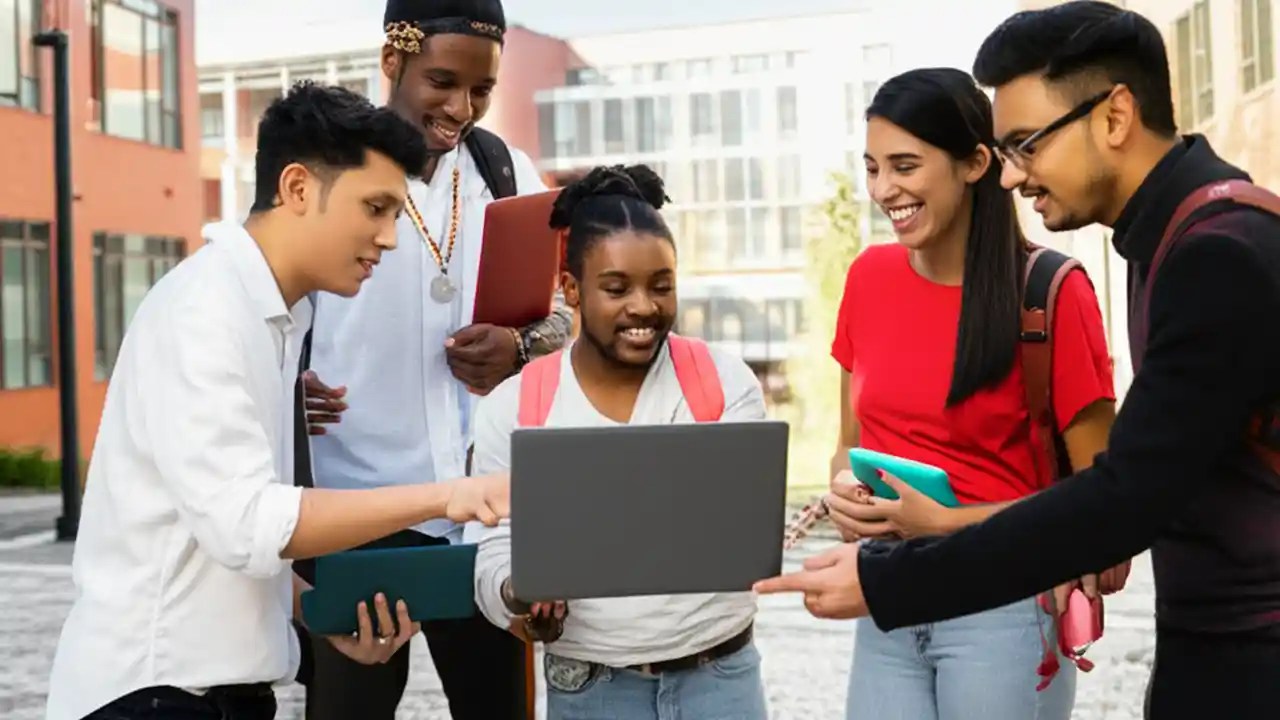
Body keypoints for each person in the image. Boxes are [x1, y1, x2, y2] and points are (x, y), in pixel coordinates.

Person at [754, 3, 1280, 717]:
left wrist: (894, 579)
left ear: (1114, 117)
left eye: (1026, 145)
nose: (1010, 177)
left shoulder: (1213, 252)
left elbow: (1122, 499)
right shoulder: (1176, 234)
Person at [44, 82, 511, 720]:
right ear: (296, 188)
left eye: (397, 213)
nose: (390, 237)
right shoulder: (205, 310)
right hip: (154, 694)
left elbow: (219, 535)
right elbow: (247, 524)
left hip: (218, 693)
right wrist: (445, 495)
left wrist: (319, 610)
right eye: (375, 207)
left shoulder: (274, 318)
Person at [293, 1, 571, 718]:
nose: (461, 109)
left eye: (481, 90)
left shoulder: (506, 172)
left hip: (487, 515)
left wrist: (521, 345)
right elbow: (257, 322)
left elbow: (570, 310)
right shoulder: (323, 175)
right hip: (355, 514)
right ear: (393, 62)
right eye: (442, 83)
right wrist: (282, 391)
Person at [825, 66, 1119, 720]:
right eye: (871, 167)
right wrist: (845, 493)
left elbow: (1104, 503)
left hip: (1005, 611)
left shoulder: (1051, 293)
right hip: (890, 601)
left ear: (975, 162)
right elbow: (848, 448)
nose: (884, 189)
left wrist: (942, 525)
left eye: (905, 165)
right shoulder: (868, 278)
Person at [465, 164, 772, 720]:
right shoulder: (514, 409)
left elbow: (743, 544)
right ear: (571, 290)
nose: (643, 307)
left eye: (662, 286)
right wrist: (520, 594)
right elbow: (491, 559)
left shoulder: (725, 385)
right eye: (616, 288)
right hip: (593, 690)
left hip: (719, 682)